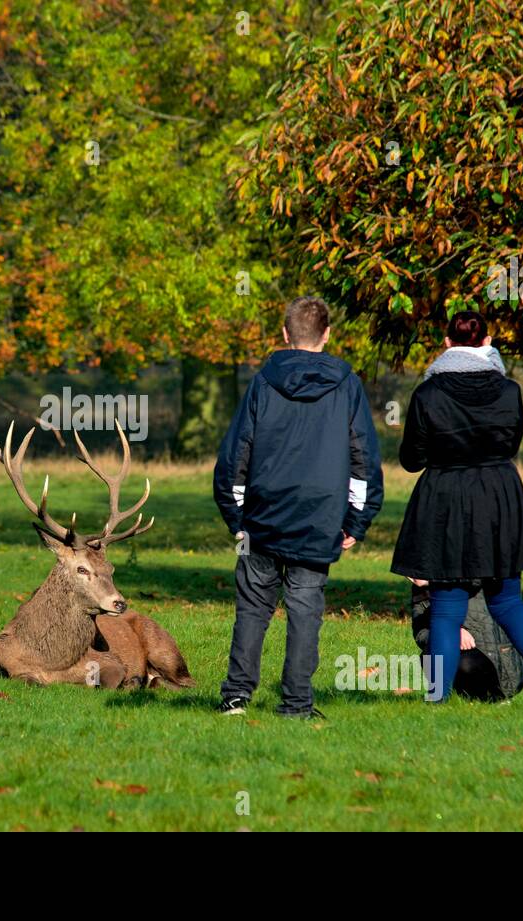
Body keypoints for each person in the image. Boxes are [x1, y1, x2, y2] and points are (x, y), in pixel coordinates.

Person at [213, 295, 383, 719]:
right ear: (327, 334)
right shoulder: (347, 385)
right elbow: (363, 458)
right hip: (320, 517)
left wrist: (236, 517)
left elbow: (236, 456)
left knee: (253, 607)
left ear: (286, 334)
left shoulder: (263, 382)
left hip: (264, 514)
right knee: (305, 611)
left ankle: (237, 696)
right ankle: (296, 704)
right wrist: (356, 522)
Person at [391, 310, 523, 705]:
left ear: (446, 343)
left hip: (446, 500)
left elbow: (411, 459)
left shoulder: (428, 394)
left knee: (446, 608)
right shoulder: (510, 391)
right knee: (507, 601)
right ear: (487, 342)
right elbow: (511, 445)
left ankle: (437, 697)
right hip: (499, 497)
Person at [410, 583, 523, 702]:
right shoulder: (421, 592)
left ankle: (495, 697)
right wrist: (449, 634)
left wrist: (452, 631)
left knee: (464, 663)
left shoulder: (465, 576)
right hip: (464, 649)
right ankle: (447, 698)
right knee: (429, 654)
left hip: (497, 653)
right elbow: (421, 634)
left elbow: (484, 624)